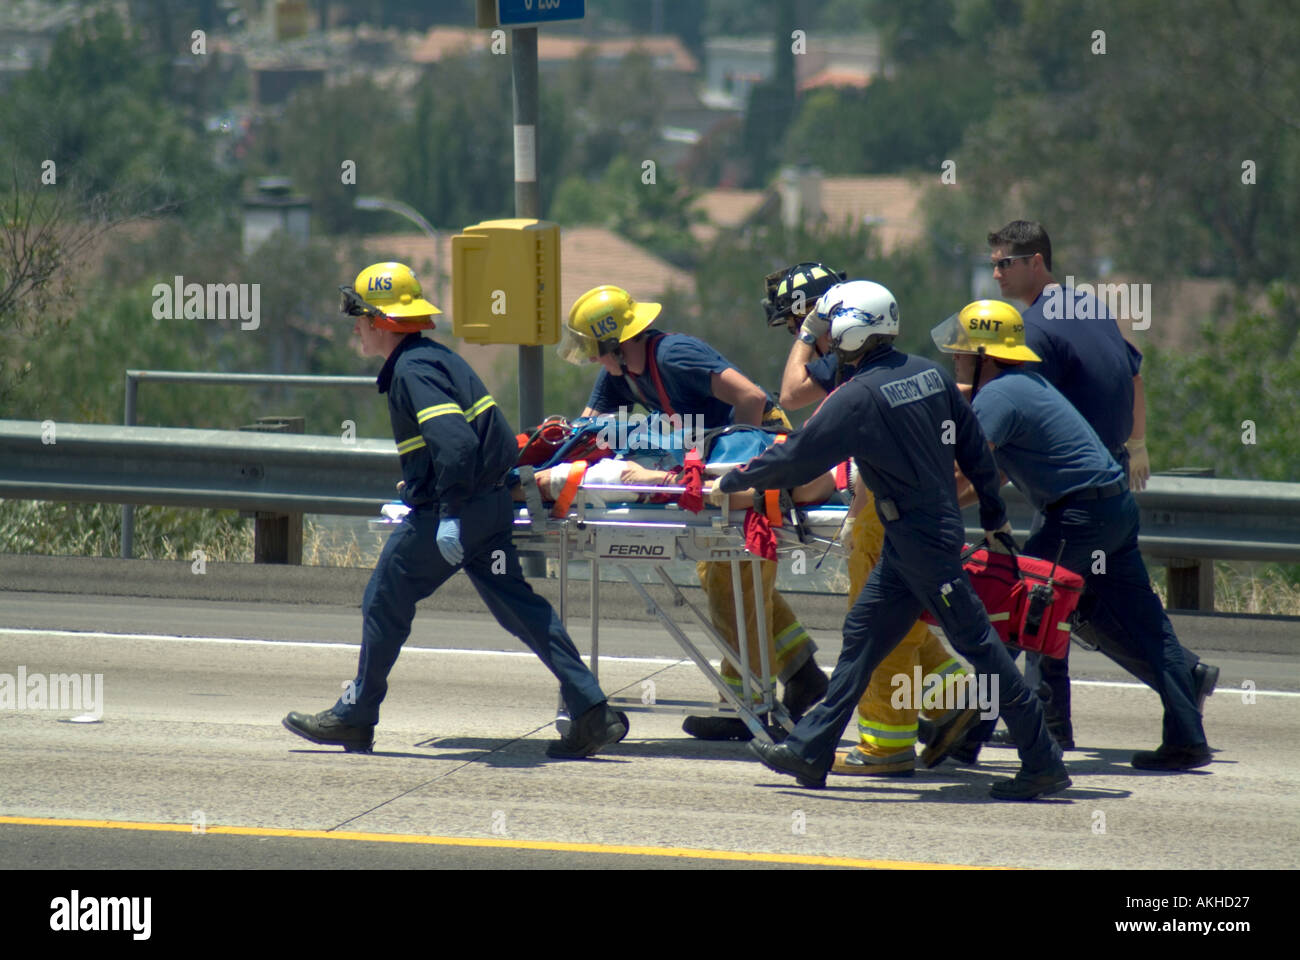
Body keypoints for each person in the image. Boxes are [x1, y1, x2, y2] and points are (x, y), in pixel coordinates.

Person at [722, 281, 1068, 800]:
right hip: (914, 536)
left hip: (922, 543)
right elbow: (974, 447)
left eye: (834, 328)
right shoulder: (926, 373)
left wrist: (736, 478)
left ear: (852, 328)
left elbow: (800, 456)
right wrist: (994, 517)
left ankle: (1042, 761)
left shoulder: (858, 396)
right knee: (862, 640)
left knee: (982, 649)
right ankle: (810, 751)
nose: (831, 342)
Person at [283, 262, 628, 758]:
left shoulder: (410, 369)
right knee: (522, 610)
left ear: (381, 321)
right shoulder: (436, 359)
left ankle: (357, 716)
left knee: (384, 599)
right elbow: (482, 442)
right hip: (488, 507)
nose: (354, 325)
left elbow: (457, 445)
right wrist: (427, 479)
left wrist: (446, 511)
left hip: (459, 513)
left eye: (359, 315)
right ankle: (592, 711)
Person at [934, 299, 1211, 771]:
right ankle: (1187, 739)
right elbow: (993, 476)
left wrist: (925, 502)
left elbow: (972, 475)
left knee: (1015, 615)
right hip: (1113, 506)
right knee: (1147, 624)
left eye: (962, 353)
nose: (955, 360)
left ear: (986, 356)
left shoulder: (997, 397)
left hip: (1077, 515)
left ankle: (968, 735)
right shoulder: (1027, 384)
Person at [978, 221, 1217, 751]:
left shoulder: (1032, 329)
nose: (995, 273)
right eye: (993, 262)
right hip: (1108, 480)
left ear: (1036, 261)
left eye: (1005, 263)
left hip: (1073, 488)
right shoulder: (1085, 305)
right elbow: (1134, 371)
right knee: (1102, 608)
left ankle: (1019, 727)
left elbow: (1019, 407)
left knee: (1034, 603)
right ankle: (1184, 691)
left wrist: (978, 480)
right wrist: (1137, 442)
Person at [558, 283, 828, 739]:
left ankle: (745, 708)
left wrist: (730, 473)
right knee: (720, 575)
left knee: (733, 581)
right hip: (709, 482)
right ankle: (801, 671)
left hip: (754, 467)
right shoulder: (619, 374)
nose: (592, 362)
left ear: (620, 346)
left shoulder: (676, 356)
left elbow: (753, 401)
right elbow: (590, 431)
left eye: (596, 352)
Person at [764, 265, 973, 777]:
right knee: (891, 622)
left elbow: (790, 393)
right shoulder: (890, 359)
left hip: (884, 512)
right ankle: (956, 696)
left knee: (873, 628)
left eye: (800, 328)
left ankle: (886, 745)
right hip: (909, 507)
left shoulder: (844, 361)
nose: (802, 340)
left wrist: (811, 332)